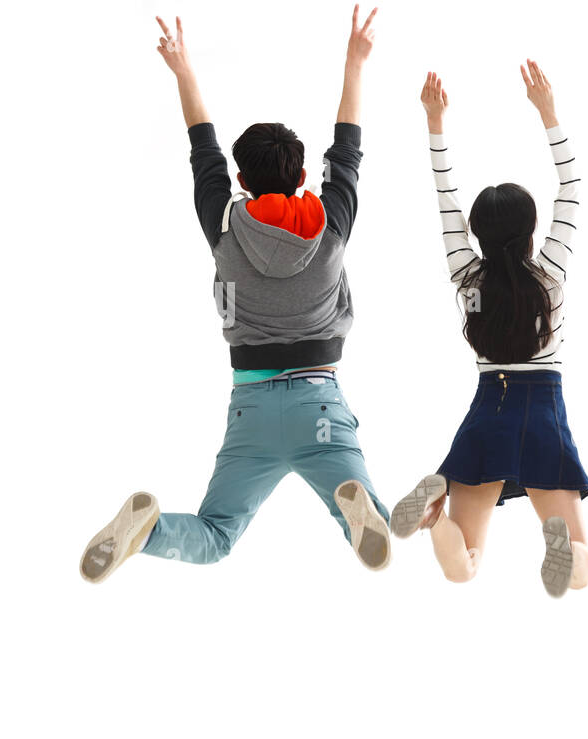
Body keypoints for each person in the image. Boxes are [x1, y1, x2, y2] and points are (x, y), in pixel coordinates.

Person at [80, 7, 392, 582]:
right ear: (303, 179)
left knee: (217, 533)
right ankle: (356, 511)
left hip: (250, 408)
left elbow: (204, 149)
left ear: (242, 182)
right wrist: (355, 59)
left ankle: (148, 532)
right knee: (380, 526)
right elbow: (347, 150)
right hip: (319, 403)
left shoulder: (222, 225)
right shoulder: (333, 224)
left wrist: (182, 69)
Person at [390, 65, 588, 598]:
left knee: (463, 569)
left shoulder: (467, 275)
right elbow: (571, 185)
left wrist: (435, 122)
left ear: (475, 233)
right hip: (543, 410)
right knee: (579, 574)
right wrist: (547, 111)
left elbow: (445, 195)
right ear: (532, 230)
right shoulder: (549, 272)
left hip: (489, 410)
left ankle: (436, 520)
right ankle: (564, 548)